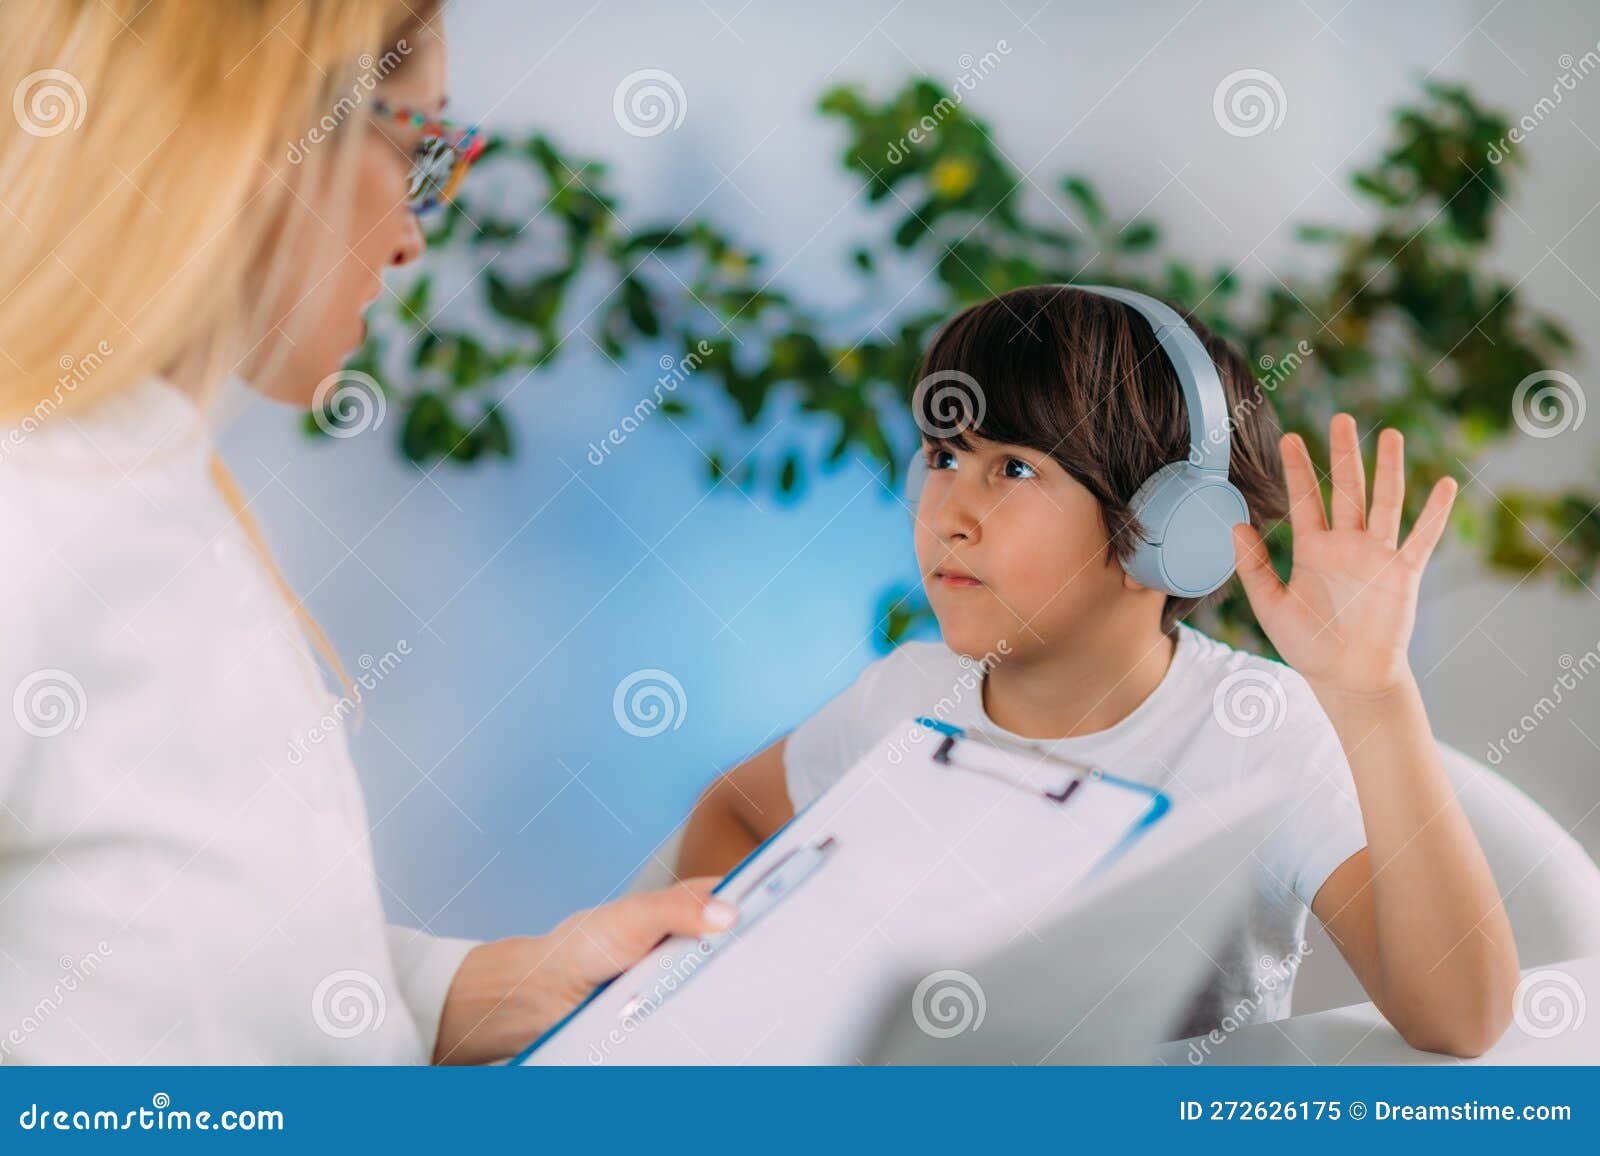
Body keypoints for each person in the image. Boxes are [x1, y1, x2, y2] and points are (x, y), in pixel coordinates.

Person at [0, 0, 735, 1064]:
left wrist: (516, 982)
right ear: (254, 133)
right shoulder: (39, 510)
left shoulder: (157, 487)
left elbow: (185, 960)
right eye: (419, 148)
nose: (413, 237)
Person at [678, 285, 1519, 1057]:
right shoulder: (906, 695)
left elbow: (1460, 1016)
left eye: (1012, 469)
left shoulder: (1255, 732)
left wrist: (1372, 697)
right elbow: (733, 810)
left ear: (1164, 531)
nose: (950, 516)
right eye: (941, 458)